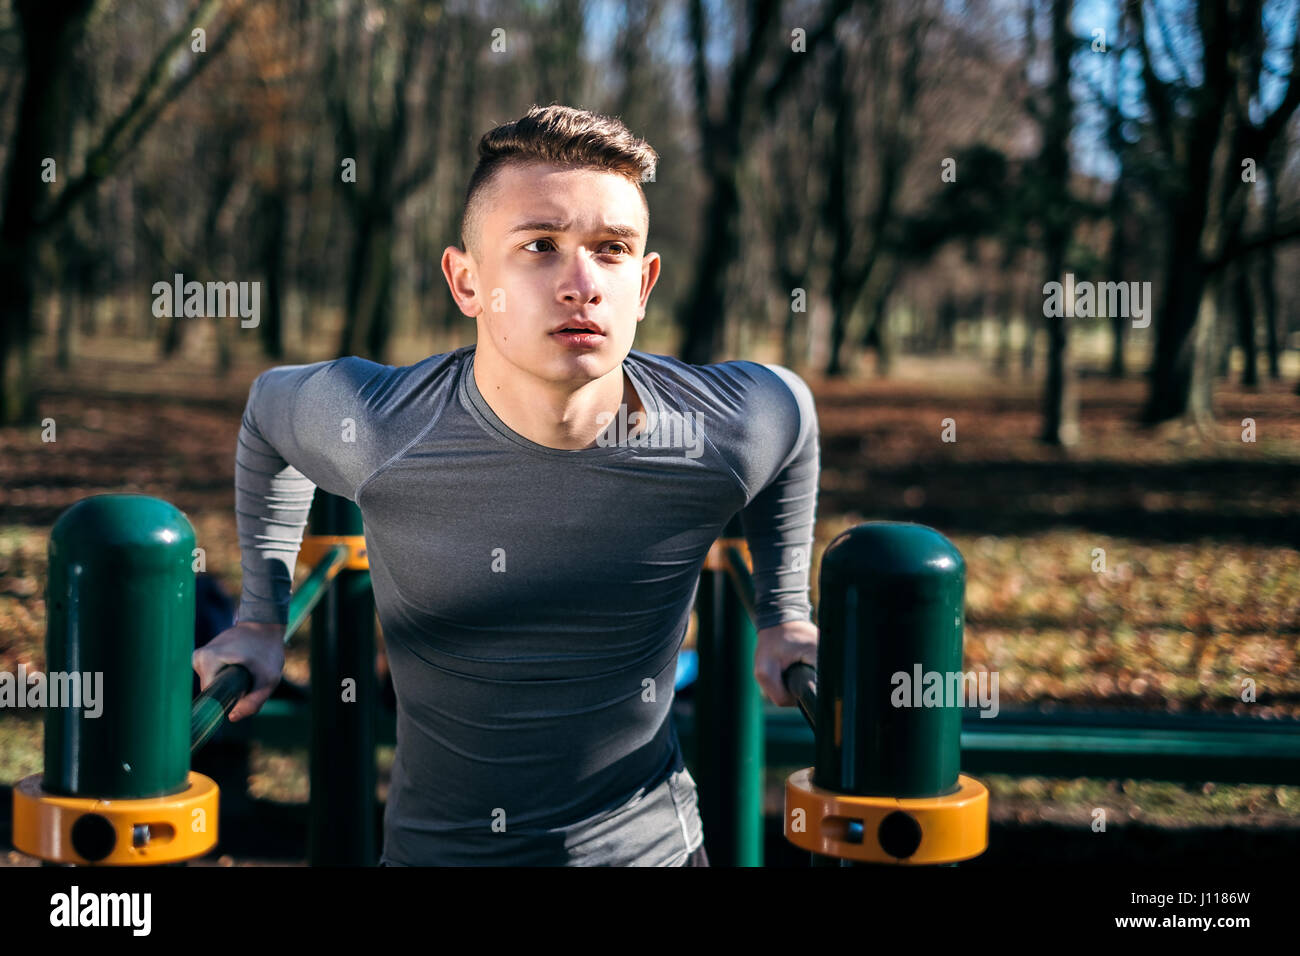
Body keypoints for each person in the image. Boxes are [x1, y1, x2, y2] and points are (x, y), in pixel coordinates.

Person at [193, 104, 820, 866]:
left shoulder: (722, 431)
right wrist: (260, 619)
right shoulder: (380, 428)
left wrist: (783, 614)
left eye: (612, 250)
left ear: (645, 283)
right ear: (467, 280)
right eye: (540, 246)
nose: (581, 283)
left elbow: (795, 418)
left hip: (650, 852)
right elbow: (267, 414)